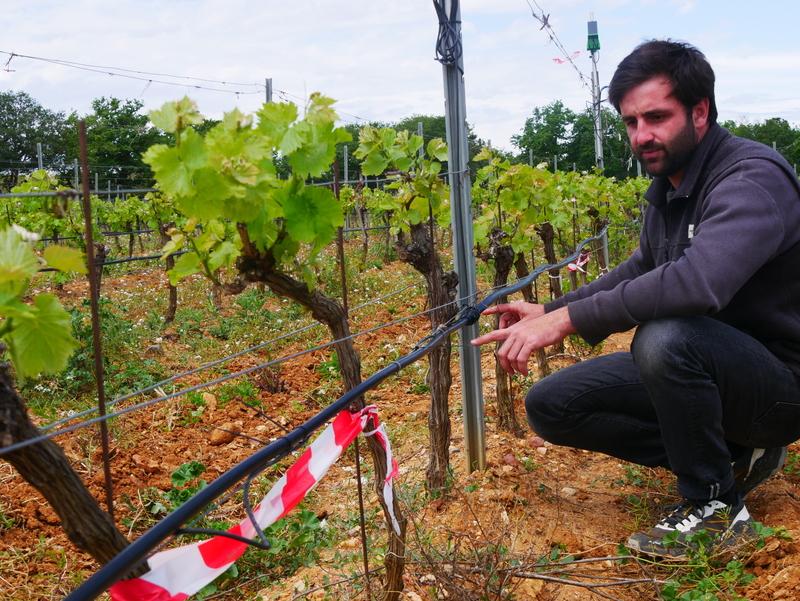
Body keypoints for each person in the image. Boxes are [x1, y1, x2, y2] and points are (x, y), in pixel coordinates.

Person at [471, 39, 800, 558]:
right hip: (714, 372)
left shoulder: (751, 179)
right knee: (553, 406)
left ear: (700, 111)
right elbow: (645, 266)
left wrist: (568, 321)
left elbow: (699, 282)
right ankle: (734, 454)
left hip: (780, 387)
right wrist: (553, 310)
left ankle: (714, 508)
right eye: (630, 122)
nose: (641, 136)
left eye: (656, 117)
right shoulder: (670, 187)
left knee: (665, 338)